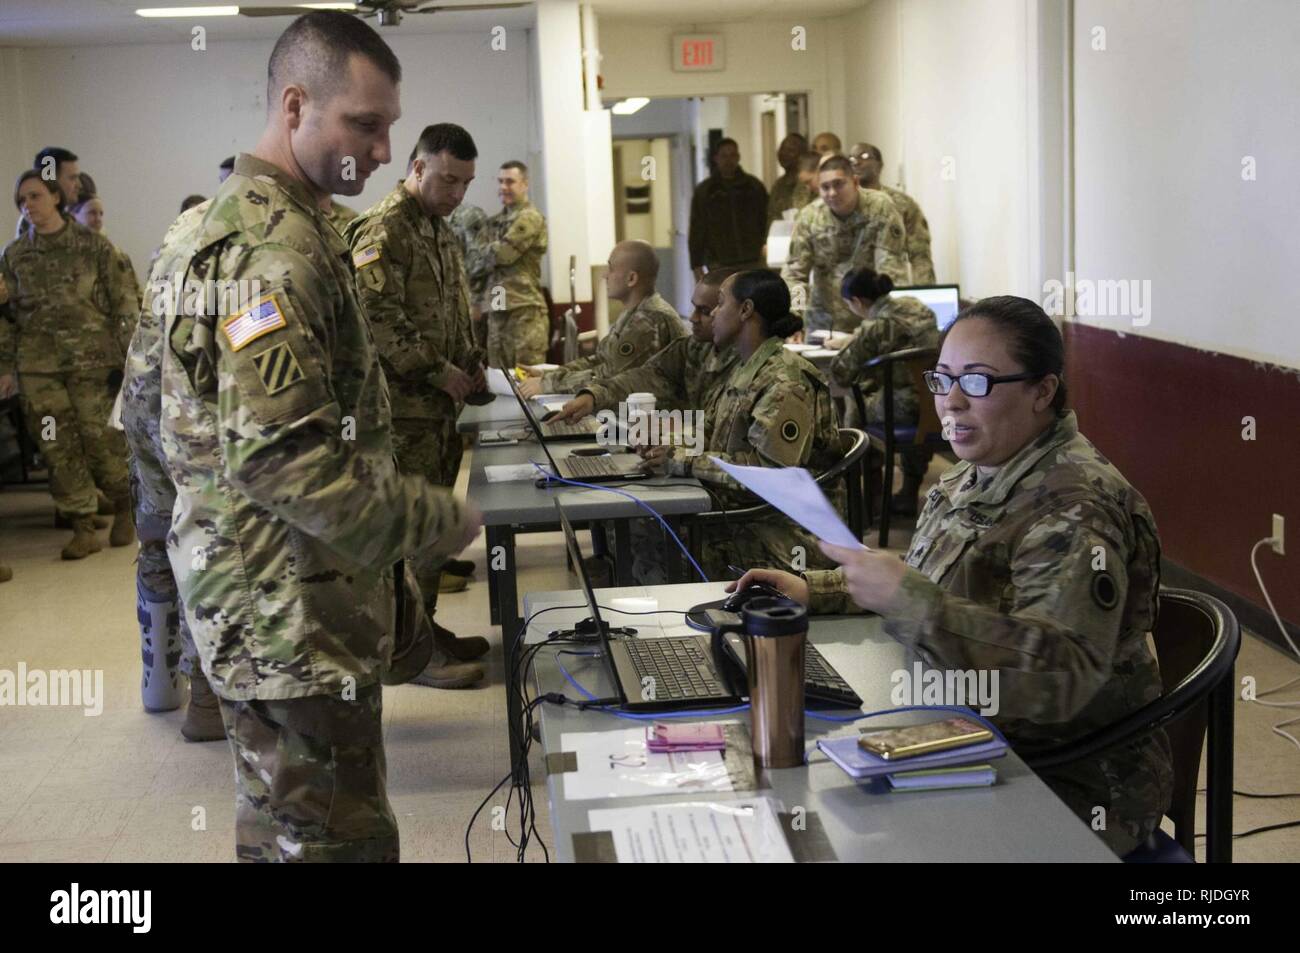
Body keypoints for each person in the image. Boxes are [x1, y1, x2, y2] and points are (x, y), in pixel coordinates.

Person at [156, 11, 479, 863]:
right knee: (337, 840)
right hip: (290, 613)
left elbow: (164, 416)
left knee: (283, 831)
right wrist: (432, 517)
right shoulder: (277, 250)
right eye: (363, 125)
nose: (380, 151)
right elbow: (280, 458)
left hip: (259, 599)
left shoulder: (215, 228)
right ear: (295, 105)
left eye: (388, 129)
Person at [731, 296, 1172, 857]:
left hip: (1067, 776)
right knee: (810, 797)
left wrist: (909, 599)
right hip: (962, 724)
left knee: (841, 833)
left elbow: (1061, 677)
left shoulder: (1074, 508)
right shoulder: (975, 474)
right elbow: (923, 579)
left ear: (1043, 391)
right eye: (942, 379)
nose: (952, 402)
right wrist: (816, 588)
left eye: (979, 382)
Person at [347, 121, 489, 688]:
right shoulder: (385, 230)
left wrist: (471, 360)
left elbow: (453, 309)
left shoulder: (438, 229)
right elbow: (379, 319)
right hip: (403, 411)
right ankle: (408, 652)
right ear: (418, 167)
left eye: (465, 184)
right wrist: (438, 371)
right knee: (410, 535)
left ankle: (424, 630)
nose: (457, 194)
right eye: (448, 180)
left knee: (430, 531)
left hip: (438, 410)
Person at [639, 269, 842, 581]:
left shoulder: (786, 381)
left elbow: (768, 476)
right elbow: (708, 431)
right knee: (641, 522)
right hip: (747, 517)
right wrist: (661, 441)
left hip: (785, 535)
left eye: (720, 303)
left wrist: (681, 461)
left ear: (746, 310)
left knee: (650, 536)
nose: (712, 314)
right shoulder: (746, 369)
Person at [122, 195, 227, 740]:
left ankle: (162, 684)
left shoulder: (176, 241)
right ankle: (206, 698)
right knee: (201, 550)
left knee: (161, 546)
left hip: (144, 415)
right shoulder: (239, 257)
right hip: (182, 423)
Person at [0, 170, 138, 558]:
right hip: (39, 371)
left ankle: (123, 502)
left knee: (100, 438)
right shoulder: (14, 255)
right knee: (53, 442)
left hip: (91, 365)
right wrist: (6, 368)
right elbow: (7, 317)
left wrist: (130, 357)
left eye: (35, 196)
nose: (28, 205)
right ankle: (81, 524)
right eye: (22, 200)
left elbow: (124, 302)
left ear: (56, 198)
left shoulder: (94, 247)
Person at [556, 269, 740, 422]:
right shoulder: (694, 348)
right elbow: (645, 376)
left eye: (705, 311)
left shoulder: (749, 362)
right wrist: (593, 396)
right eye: (694, 308)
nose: (693, 318)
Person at [827, 267, 939, 515]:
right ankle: (909, 492)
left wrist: (853, 343)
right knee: (883, 394)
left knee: (854, 400)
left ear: (857, 301)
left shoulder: (876, 327)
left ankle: (867, 502)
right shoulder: (916, 306)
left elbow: (840, 372)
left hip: (902, 408)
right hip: (935, 404)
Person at [519, 240, 684, 398]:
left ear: (631, 279)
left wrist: (547, 384)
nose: (605, 275)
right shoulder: (632, 313)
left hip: (663, 420)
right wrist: (548, 374)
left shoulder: (649, 320)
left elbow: (609, 376)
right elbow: (600, 359)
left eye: (611, 268)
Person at [781, 155, 907, 335]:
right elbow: (795, 275)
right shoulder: (809, 217)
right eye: (825, 187)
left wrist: (884, 321)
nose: (832, 193)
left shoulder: (880, 207)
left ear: (855, 182)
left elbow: (891, 270)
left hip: (870, 318)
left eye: (838, 184)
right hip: (823, 322)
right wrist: (795, 319)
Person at [484, 160, 549, 368]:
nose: (503, 187)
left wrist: (480, 251)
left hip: (524, 311)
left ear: (524, 184)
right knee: (498, 381)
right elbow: (473, 263)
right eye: (500, 181)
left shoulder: (529, 218)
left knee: (525, 381)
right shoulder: (495, 222)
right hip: (498, 307)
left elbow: (502, 255)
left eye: (510, 181)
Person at [850, 142, 935, 284]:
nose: (857, 162)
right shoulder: (842, 205)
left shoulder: (902, 204)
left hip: (890, 286)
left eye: (864, 156)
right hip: (851, 294)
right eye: (851, 159)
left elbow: (920, 256)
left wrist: (925, 293)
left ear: (879, 165)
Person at [688, 138, 768, 280]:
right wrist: (696, 264)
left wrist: (766, 244)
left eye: (732, 155)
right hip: (718, 262)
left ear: (738, 157)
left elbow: (766, 218)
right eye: (724, 156)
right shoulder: (706, 191)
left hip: (752, 259)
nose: (728, 160)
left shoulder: (753, 186)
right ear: (716, 158)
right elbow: (697, 228)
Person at [68, 174, 143, 310]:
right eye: (91, 213)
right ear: (74, 216)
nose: (98, 219)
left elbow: (136, 294)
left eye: (100, 214)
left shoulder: (116, 253)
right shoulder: (65, 255)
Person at [448, 202, 491, 350]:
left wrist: (475, 302)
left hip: (468, 304)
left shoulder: (469, 216)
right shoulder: (429, 218)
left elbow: (479, 262)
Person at [767, 133, 809, 224]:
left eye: (790, 150)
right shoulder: (778, 185)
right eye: (782, 149)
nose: (784, 154)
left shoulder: (808, 184)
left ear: (803, 154)